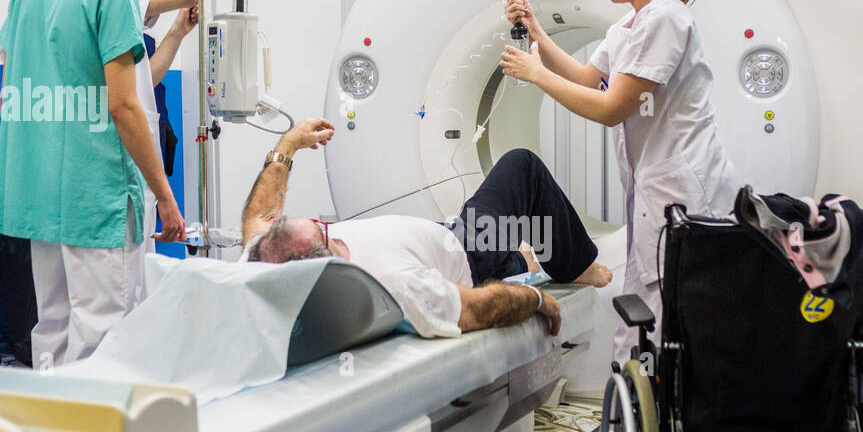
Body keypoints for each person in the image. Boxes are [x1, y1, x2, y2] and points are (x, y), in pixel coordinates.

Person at [499, 0, 743, 432]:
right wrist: (536, 32)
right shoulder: (634, 22)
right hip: (664, 202)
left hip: (680, 204)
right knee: (685, 340)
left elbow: (610, 107)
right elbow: (586, 74)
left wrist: (531, 74)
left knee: (636, 341)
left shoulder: (666, 20)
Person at [0, 0, 186, 369]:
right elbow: (124, 106)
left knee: (53, 326)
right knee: (108, 334)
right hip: (96, 197)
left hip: (39, 193)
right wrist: (164, 196)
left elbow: (14, 91)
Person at [240, 119, 612, 338]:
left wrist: (288, 144)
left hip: (446, 241)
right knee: (521, 167)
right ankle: (578, 267)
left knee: (516, 254)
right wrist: (535, 300)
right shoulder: (391, 282)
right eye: (326, 233)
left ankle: (520, 261)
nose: (333, 229)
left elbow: (259, 214)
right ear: (328, 265)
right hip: (468, 250)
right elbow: (478, 310)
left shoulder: (264, 258)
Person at [112, 0, 263, 254]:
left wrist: (178, 32)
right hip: (116, 181)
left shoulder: (124, 14)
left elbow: (144, 82)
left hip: (131, 187)